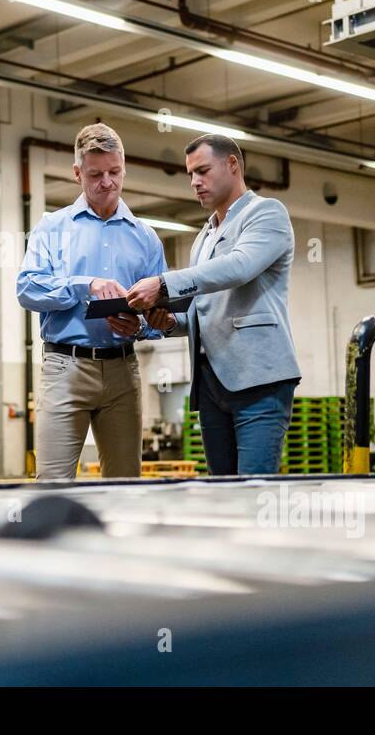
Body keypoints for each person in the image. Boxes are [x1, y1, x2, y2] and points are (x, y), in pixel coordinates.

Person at [127, 133, 300, 475]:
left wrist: (164, 283)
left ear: (232, 165)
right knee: (221, 491)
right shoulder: (204, 236)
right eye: (190, 174)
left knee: (254, 491)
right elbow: (202, 313)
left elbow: (239, 266)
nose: (195, 182)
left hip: (258, 381)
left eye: (203, 171)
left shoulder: (265, 213)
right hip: (211, 385)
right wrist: (165, 323)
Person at [17, 123, 167, 480]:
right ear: (77, 173)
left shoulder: (145, 238)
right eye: (96, 174)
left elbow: (161, 306)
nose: (107, 182)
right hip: (65, 367)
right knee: (53, 485)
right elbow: (28, 289)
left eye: (115, 172)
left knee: (125, 484)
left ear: (124, 167)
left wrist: (142, 326)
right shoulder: (51, 228)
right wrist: (86, 286)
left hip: (123, 371)